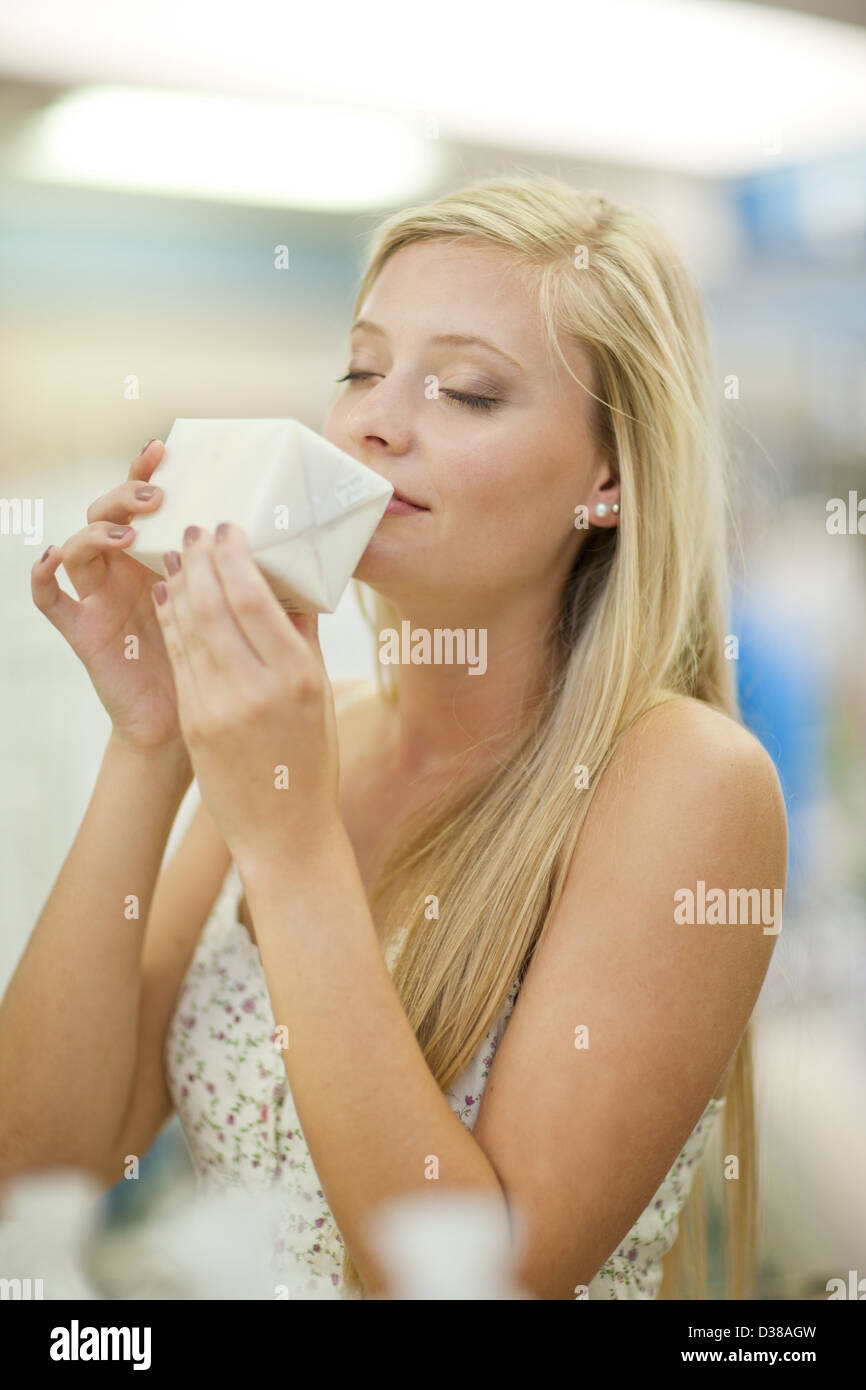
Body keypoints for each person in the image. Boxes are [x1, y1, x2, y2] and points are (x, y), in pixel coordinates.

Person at [2, 174, 787, 1300]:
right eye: (362, 368)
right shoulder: (312, 743)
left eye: (465, 392)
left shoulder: (686, 785)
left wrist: (289, 842)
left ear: (606, 478)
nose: (375, 418)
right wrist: (153, 738)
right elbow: (38, 1176)